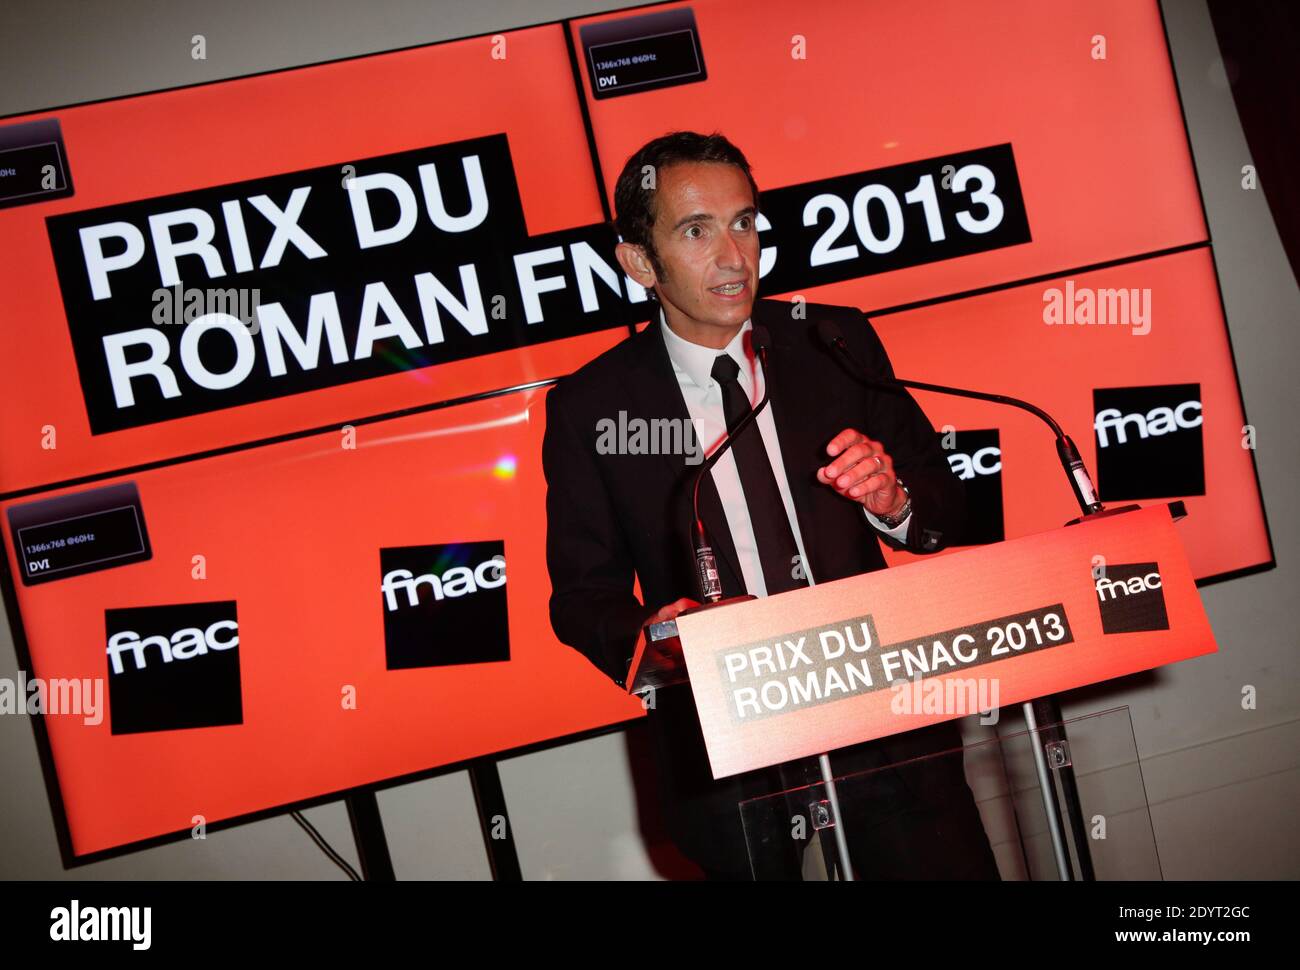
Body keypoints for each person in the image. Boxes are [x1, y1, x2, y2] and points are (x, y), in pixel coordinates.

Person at [542, 130, 999, 880]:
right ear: (639, 262)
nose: (735, 256)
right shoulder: (594, 406)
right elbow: (581, 596)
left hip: (883, 718)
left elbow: (950, 503)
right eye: (697, 231)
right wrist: (654, 639)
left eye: (745, 223)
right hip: (729, 745)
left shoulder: (831, 342)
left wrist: (896, 503)